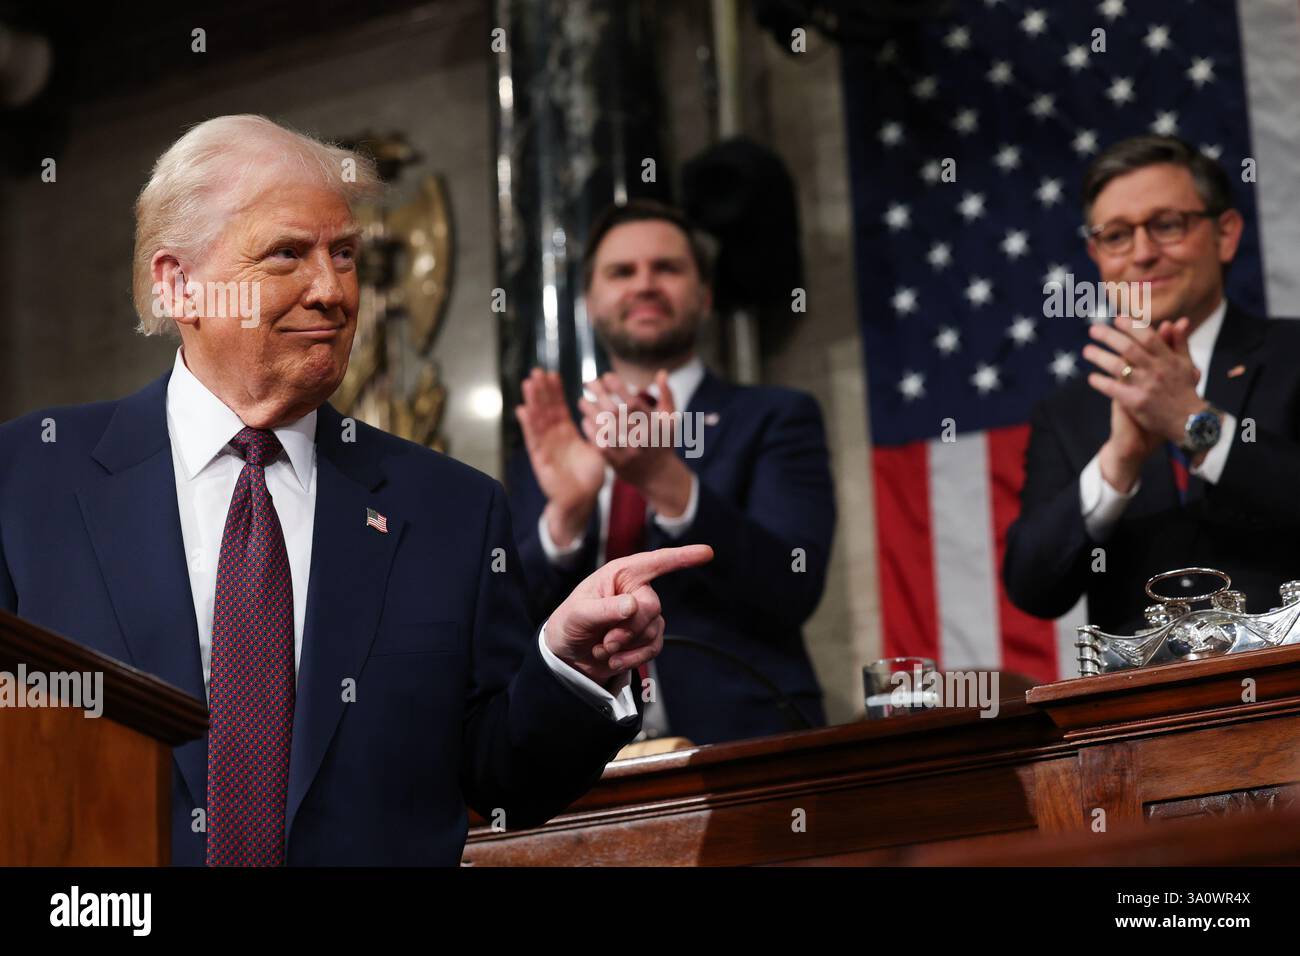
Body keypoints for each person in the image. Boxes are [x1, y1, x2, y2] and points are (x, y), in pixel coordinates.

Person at [0, 115, 711, 866]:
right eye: (287, 255)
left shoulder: (451, 512)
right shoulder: (29, 480)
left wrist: (572, 668)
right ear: (178, 285)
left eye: (345, 256)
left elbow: (505, 779)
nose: (333, 291)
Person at [508, 199, 835, 744]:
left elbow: (794, 586)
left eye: (667, 268)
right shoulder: (555, 436)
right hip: (572, 762)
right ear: (590, 304)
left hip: (745, 748)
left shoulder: (776, 417)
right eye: (622, 272)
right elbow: (506, 623)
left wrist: (665, 479)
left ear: (704, 297)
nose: (645, 284)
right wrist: (564, 520)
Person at [1005, 135, 1300, 633]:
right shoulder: (1070, 411)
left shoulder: (1292, 354)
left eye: (1166, 226)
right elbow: (1034, 588)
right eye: (1117, 235)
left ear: (1225, 234)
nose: (1142, 254)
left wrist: (1195, 426)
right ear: (1096, 254)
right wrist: (1117, 463)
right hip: (1147, 706)